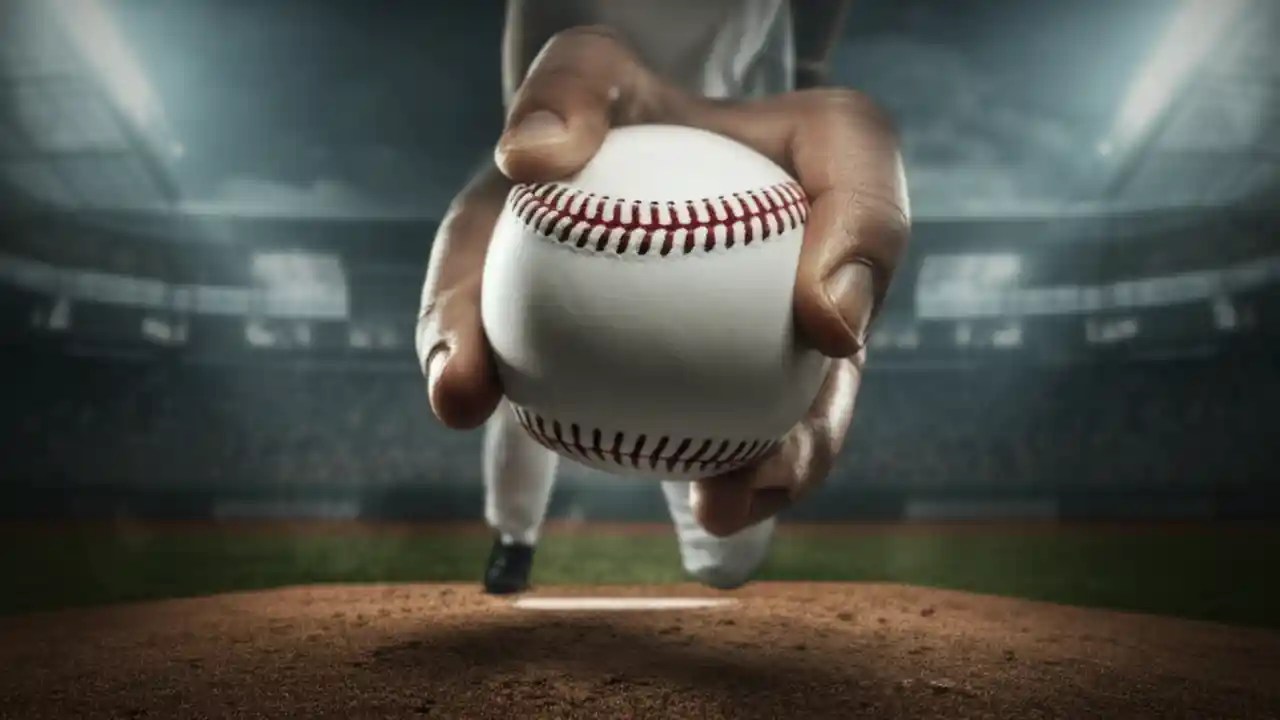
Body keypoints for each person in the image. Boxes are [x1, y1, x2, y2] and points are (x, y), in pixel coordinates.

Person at [416, 0, 910, 593]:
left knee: (731, 398)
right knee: (524, 338)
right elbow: (538, 75)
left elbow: (808, 42)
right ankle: (514, 539)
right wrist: (526, 136)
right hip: (595, 152)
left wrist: (807, 73)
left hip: (734, 163)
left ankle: (718, 552)